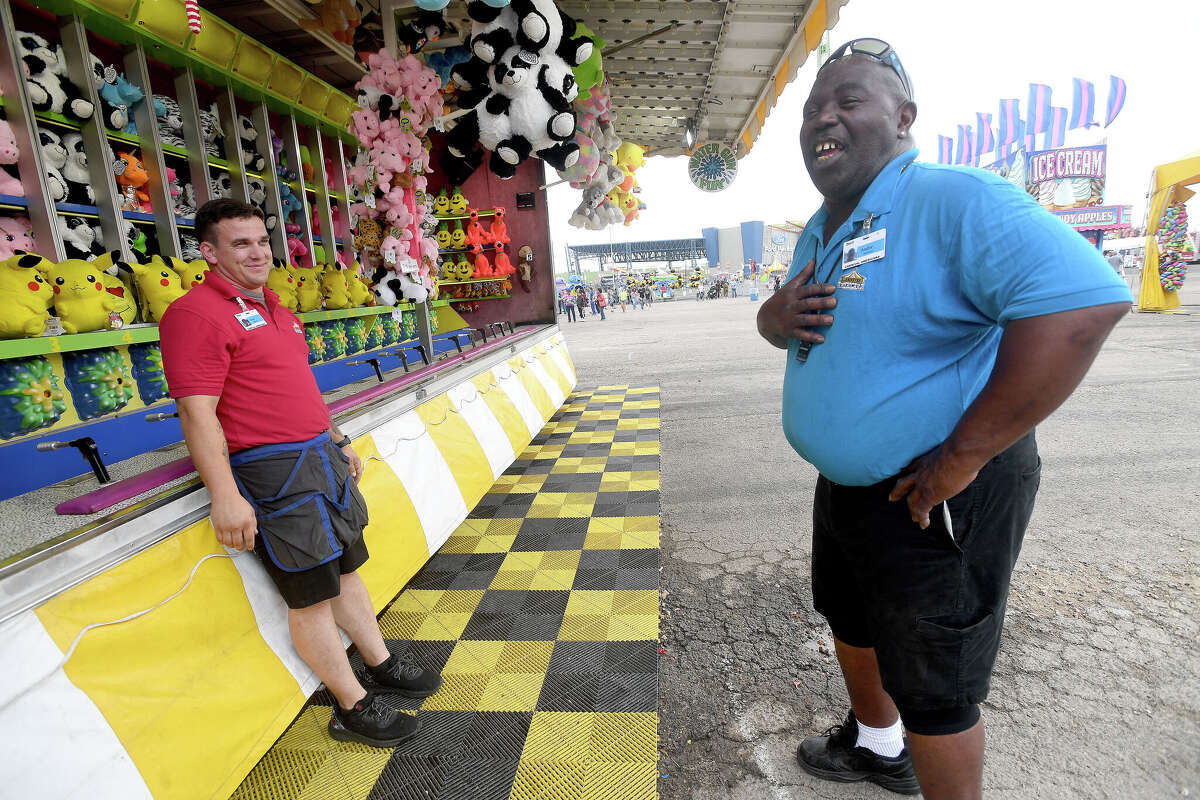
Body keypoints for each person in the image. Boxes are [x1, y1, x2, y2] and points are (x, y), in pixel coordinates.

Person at [756, 40, 1130, 799]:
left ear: (904, 118)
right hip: (848, 485)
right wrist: (773, 316)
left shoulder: (953, 199)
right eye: (813, 109)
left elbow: (1084, 306)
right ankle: (876, 744)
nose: (823, 118)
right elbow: (787, 328)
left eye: (849, 101)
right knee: (852, 618)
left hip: (934, 490)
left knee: (936, 684)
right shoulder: (821, 226)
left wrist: (962, 457)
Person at [159, 199, 443, 750]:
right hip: (273, 474)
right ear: (208, 252)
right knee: (310, 592)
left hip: (320, 459)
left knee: (347, 570)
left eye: (261, 241)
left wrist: (334, 437)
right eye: (240, 244)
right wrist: (225, 495)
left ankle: (380, 663)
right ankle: (351, 705)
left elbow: (295, 383)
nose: (257, 253)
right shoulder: (194, 314)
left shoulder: (274, 306)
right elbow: (196, 413)